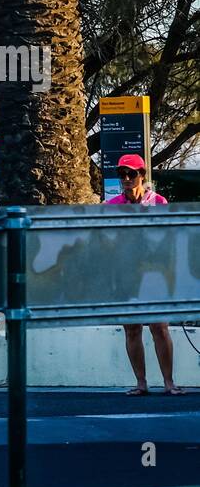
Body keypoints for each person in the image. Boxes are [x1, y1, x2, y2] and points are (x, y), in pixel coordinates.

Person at [105, 153, 183, 396]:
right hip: (125, 273)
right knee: (132, 328)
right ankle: (141, 383)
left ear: (142, 175)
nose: (126, 179)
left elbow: (169, 238)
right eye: (121, 174)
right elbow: (105, 242)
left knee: (160, 326)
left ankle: (169, 382)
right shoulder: (110, 206)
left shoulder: (159, 202)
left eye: (131, 173)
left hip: (154, 273)